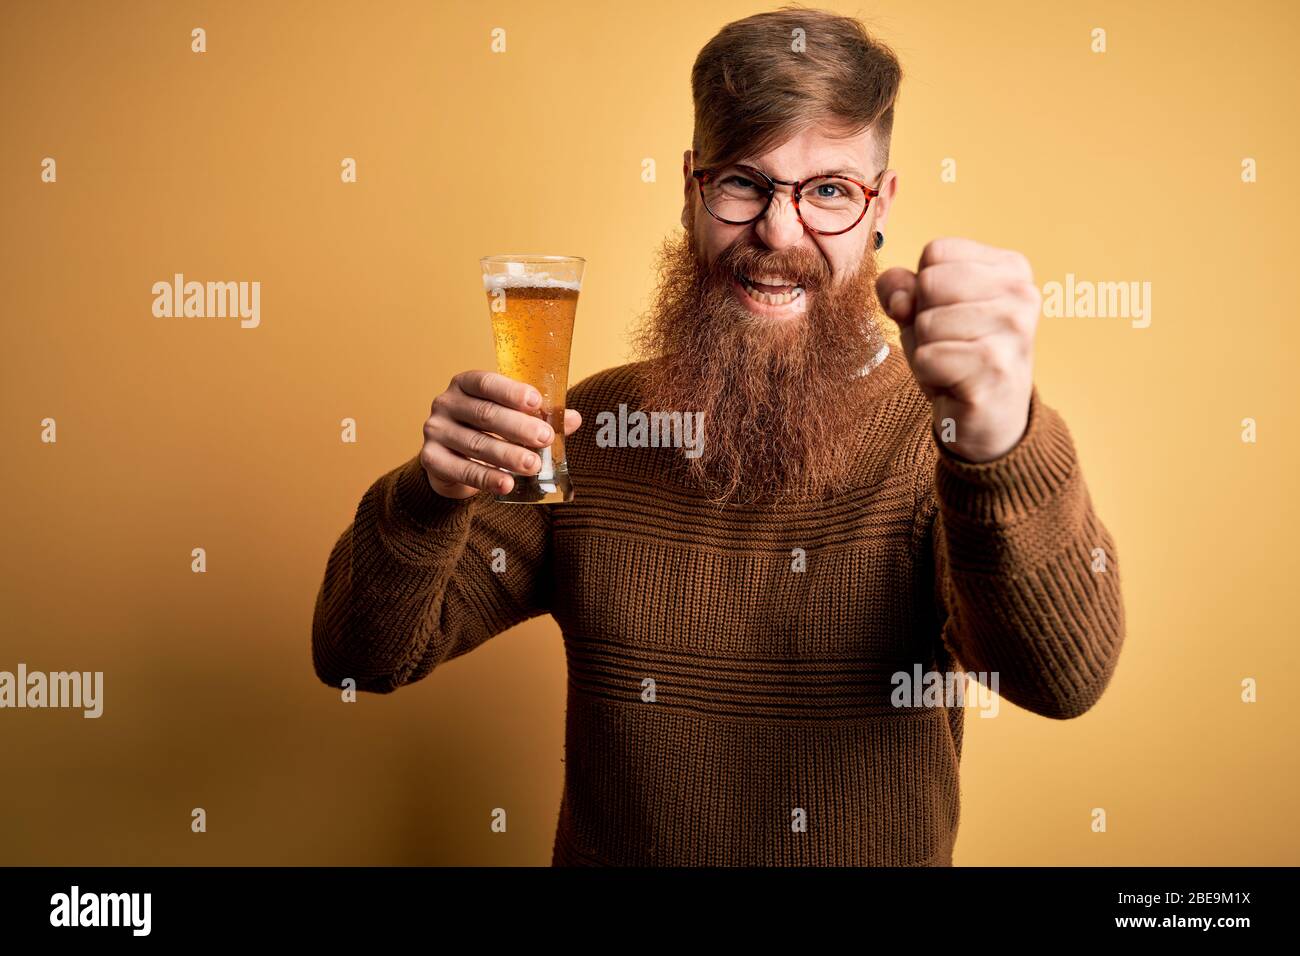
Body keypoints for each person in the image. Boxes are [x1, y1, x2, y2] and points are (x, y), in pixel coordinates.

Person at [312, 6, 1125, 866]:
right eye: (744, 182)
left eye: (829, 191)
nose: (779, 232)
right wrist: (426, 497)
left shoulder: (952, 445)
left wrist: (999, 442)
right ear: (691, 186)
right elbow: (360, 658)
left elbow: (1061, 680)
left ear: (881, 203)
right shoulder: (593, 431)